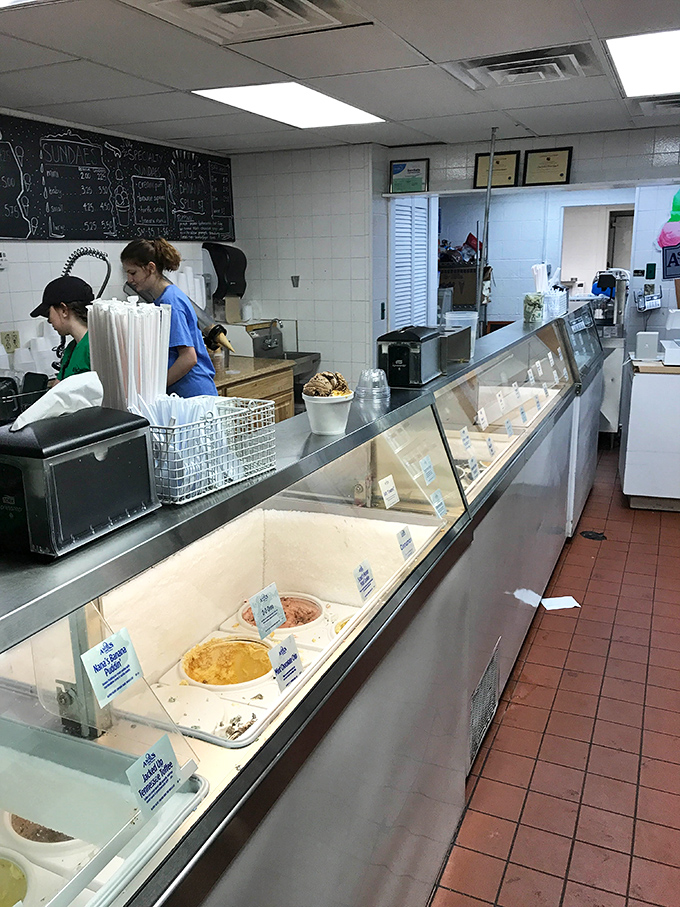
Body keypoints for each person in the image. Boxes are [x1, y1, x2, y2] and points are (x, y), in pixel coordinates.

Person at [120, 238, 217, 397]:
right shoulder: (162, 299)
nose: (129, 280)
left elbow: (188, 358)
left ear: (150, 268)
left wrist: (155, 388)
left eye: (133, 273)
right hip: (184, 392)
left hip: (193, 392)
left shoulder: (170, 302)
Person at [30, 275, 94, 381]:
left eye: (48, 313)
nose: (49, 321)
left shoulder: (93, 347)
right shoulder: (71, 348)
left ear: (64, 310)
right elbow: (58, 387)